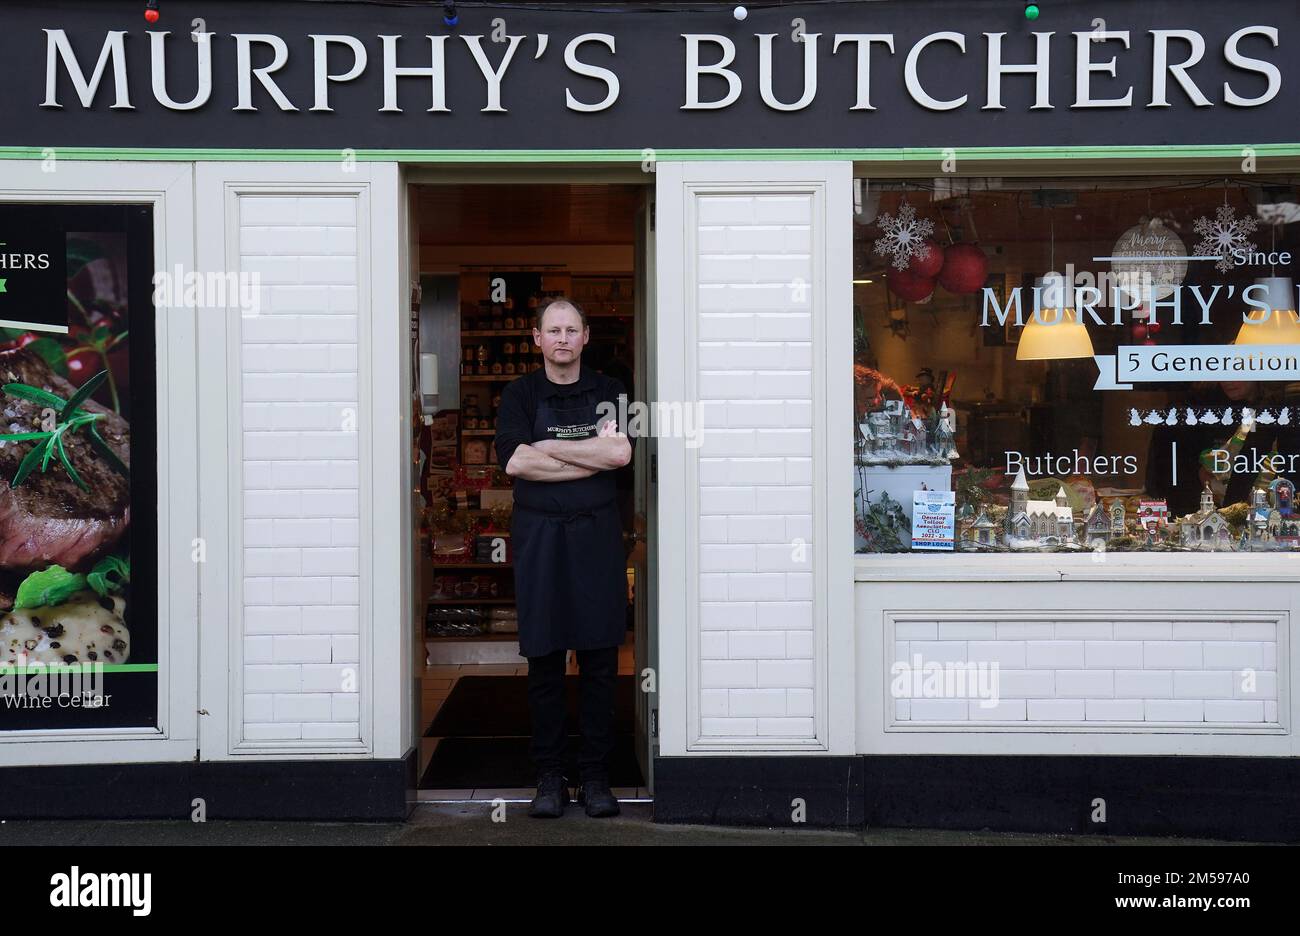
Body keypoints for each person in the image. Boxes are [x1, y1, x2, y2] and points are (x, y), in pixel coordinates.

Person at [493, 297, 633, 818]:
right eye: (553, 330)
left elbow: (619, 455)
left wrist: (547, 446)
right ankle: (549, 777)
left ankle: (596, 779)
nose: (563, 339)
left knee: (600, 663)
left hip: (597, 537)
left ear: (586, 337)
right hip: (540, 539)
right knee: (545, 663)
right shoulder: (519, 393)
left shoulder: (610, 391)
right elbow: (514, 460)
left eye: (571, 330)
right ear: (536, 338)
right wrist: (585, 457)